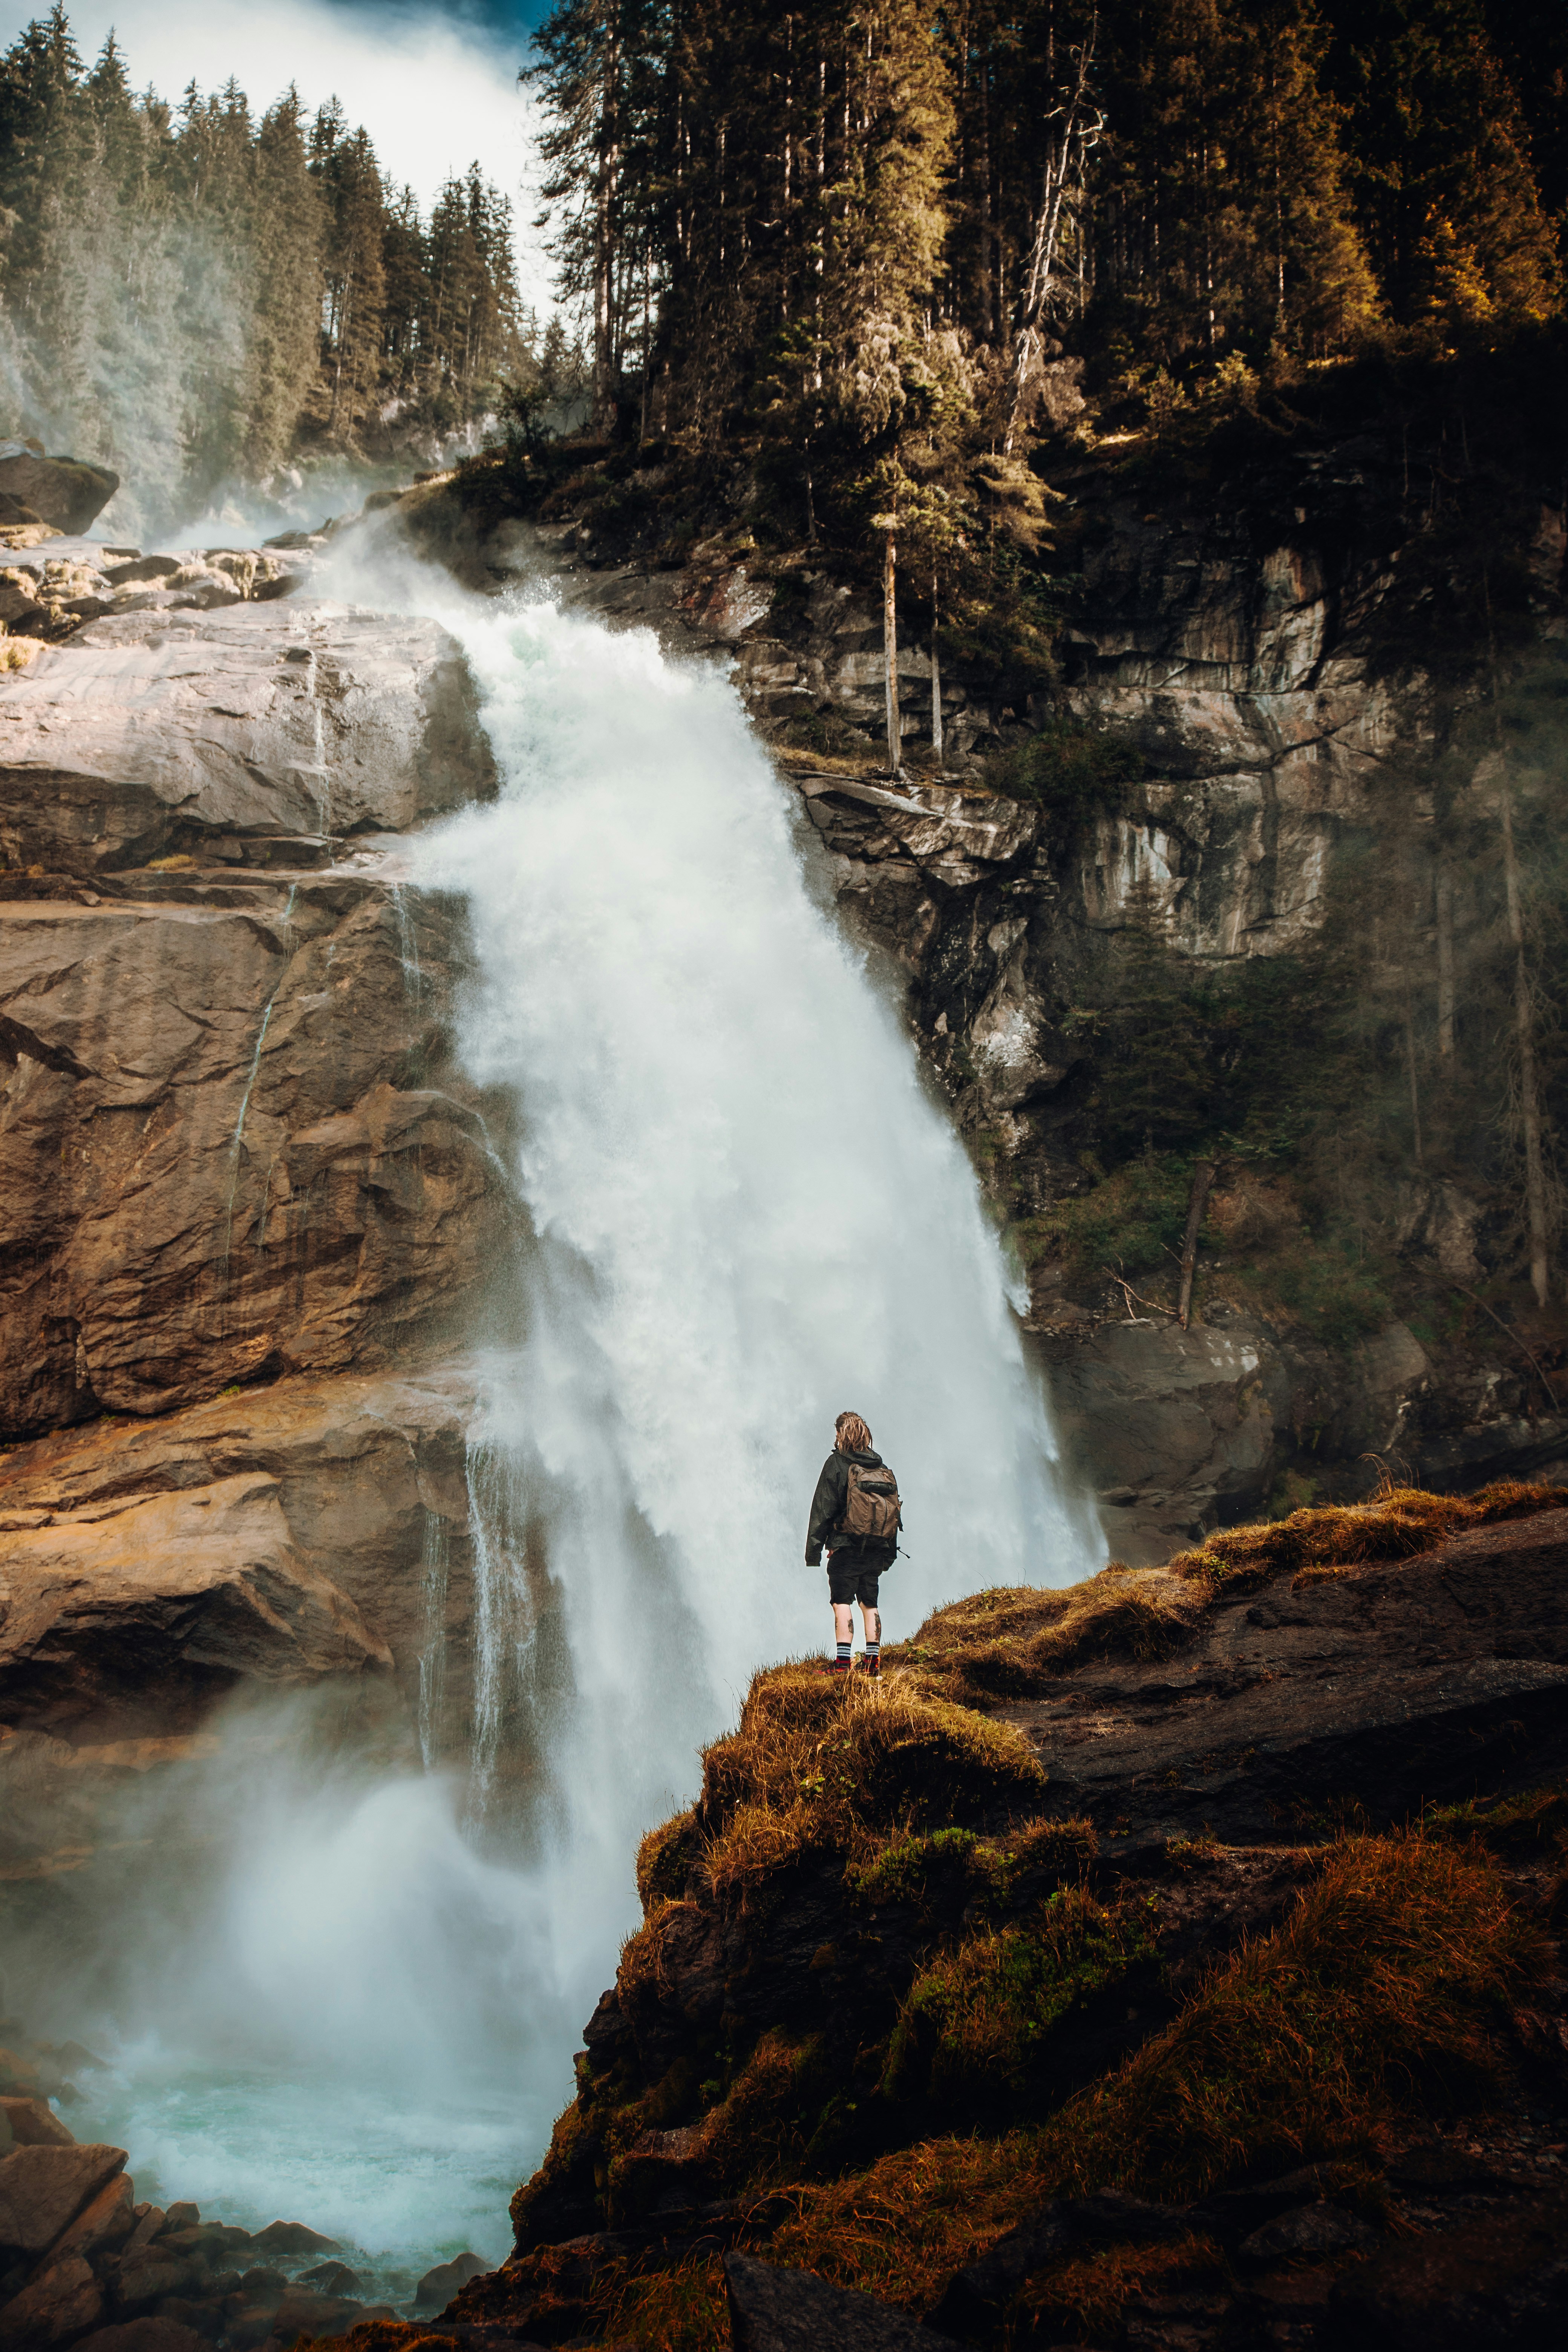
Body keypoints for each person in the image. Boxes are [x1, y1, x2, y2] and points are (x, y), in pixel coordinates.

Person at [805, 1411, 901, 1675]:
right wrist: (888, 1554)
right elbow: (892, 1513)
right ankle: (872, 1665)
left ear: (841, 1434)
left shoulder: (837, 1464)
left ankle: (843, 1665)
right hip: (877, 1548)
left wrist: (814, 1550)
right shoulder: (880, 1468)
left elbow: (822, 1509)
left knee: (842, 1601)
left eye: (837, 1434)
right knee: (869, 1602)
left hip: (846, 1546)